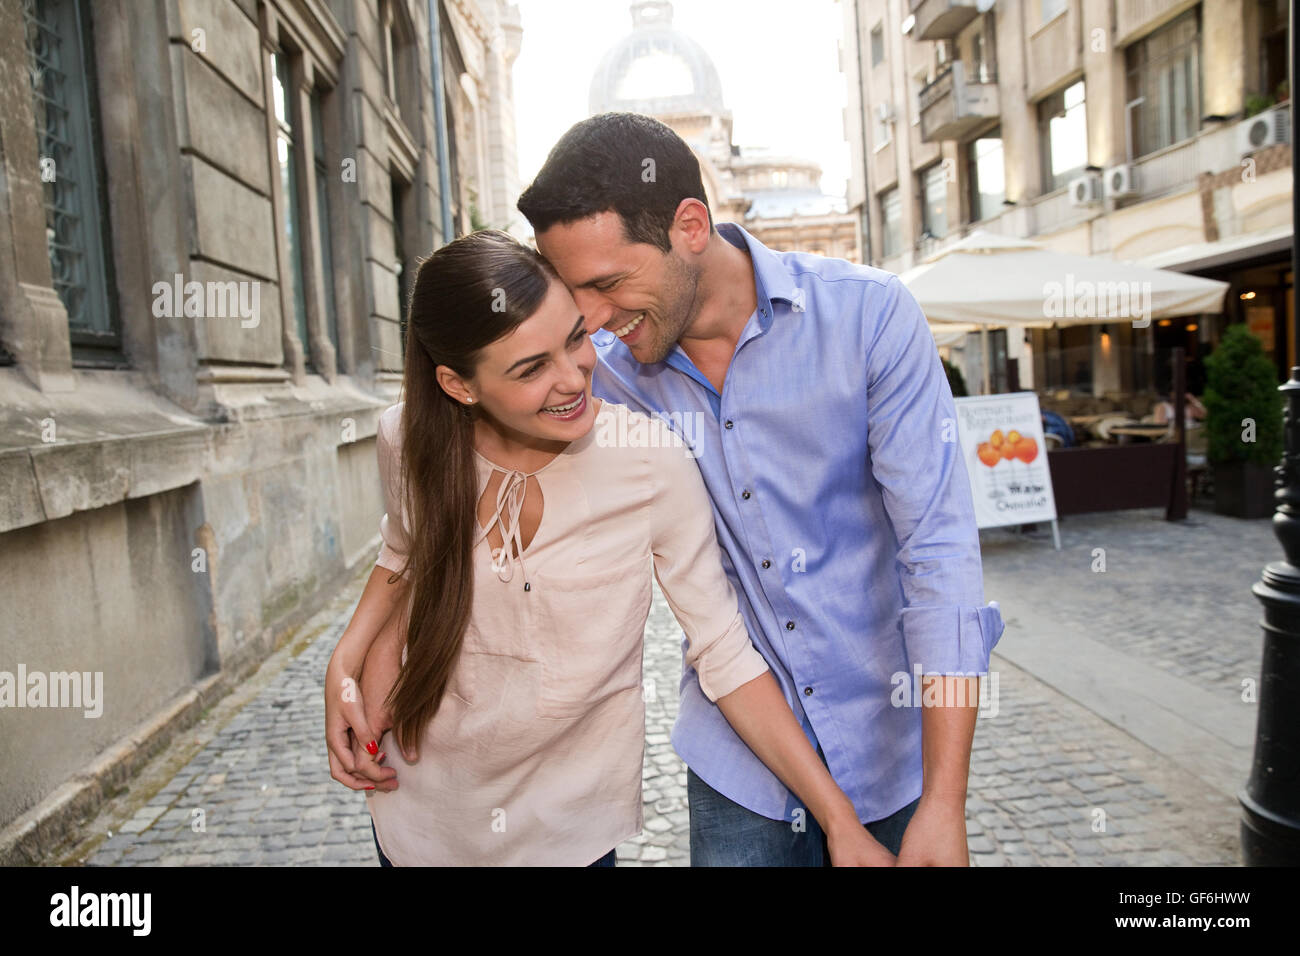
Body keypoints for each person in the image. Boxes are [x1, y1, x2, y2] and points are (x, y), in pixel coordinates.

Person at [511, 112, 1005, 866]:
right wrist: (364, 646)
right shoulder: (598, 376)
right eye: (576, 298)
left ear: (690, 226)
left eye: (607, 284)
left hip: (893, 755)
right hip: (740, 768)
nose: (595, 320)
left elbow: (938, 554)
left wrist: (944, 800)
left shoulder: (869, 318)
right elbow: (462, 422)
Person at [324, 229, 885, 866]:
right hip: (420, 810)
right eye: (531, 369)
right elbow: (403, 550)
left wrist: (838, 821)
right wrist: (343, 662)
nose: (574, 379)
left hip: (569, 831)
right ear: (458, 386)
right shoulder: (405, 438)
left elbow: (724, 651)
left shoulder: (647, 461)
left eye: (575, 338)